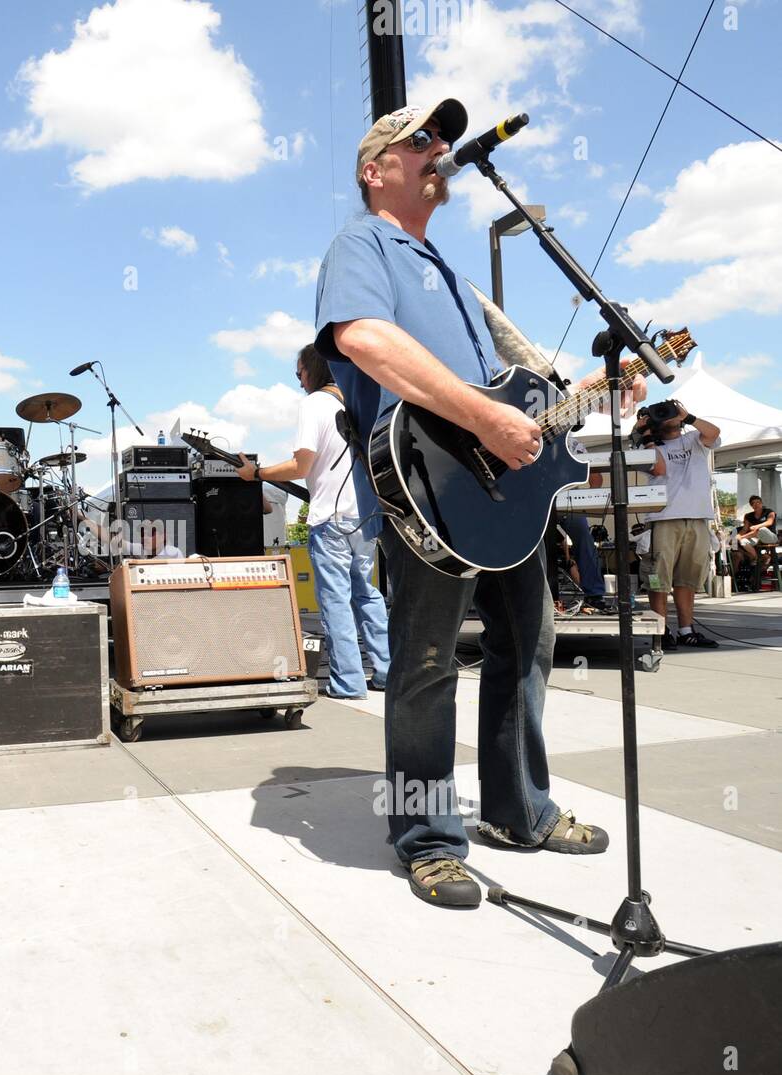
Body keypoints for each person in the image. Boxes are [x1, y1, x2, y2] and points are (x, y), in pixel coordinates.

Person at [313, 99, 640, 907]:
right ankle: (426, 837)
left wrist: (595, 393)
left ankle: (519, 810)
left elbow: (523, 395)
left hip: (504, 496)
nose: (440, 150)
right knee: (425, 667)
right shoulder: (363, 243)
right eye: (420, 138)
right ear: (375, 168)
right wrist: (486, 417)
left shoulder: (451, 275)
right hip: (427, 490)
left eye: (445, 140)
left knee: (526, 642)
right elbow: (361, 340)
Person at [236, 343, 389, 698]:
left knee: (335, 600)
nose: (299, 380)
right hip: (364, 516)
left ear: (314, 370)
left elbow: (301, 466)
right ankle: (386, 673)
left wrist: (255, 472)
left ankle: (349, 683)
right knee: (368, 595)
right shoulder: (357, 401)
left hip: (331, 518)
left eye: (300, 372)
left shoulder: (314, 404)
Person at [640, 404, 722, 648]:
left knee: (687, 578)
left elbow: (714, 433)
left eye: (670, 412)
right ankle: (660, 630)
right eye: (661, 414)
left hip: (697, 517)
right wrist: (645, 434)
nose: (668, 416)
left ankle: (687, 630)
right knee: (658, 578)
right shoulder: (646, 446)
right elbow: (659, 469)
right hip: (664, 518)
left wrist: (688, 416)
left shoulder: (694, 438)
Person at [732, 495, 777, 582]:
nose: (756, 505)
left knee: (761, 529)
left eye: (758, 502)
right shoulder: (748, 516)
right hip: (756, 538)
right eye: (753, 503)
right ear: (751, 506)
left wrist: (756, 526)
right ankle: (757, 558)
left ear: (761, 503)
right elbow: (744, 529)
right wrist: (739, 536)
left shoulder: (769, 511)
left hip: (769, 537)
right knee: (742, 541)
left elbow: (769, 522)